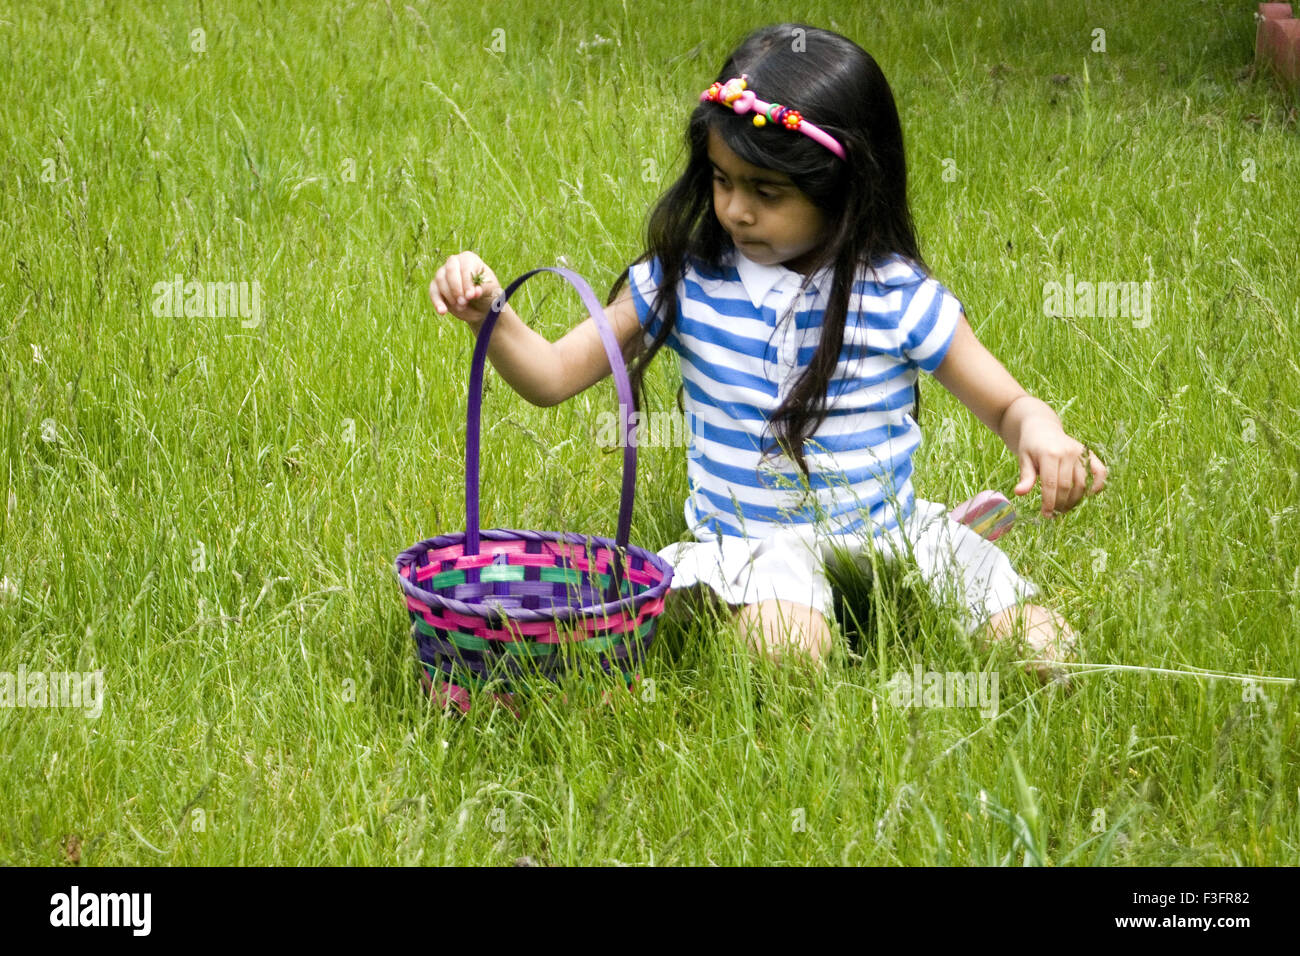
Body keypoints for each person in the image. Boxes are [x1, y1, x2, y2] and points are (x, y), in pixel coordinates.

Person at [429, 23, 1106, 684]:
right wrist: (493, 314)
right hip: (755, 549)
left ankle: (932, 596)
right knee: (785, 651)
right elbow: (550, 376)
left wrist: (1042, 433)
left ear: (844, 189)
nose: (736, 211)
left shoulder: (897, 295)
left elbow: (1008, 404)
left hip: (891, 542)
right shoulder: (684, 283)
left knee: (1044, 650)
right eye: (722, 181)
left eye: (767, 192)